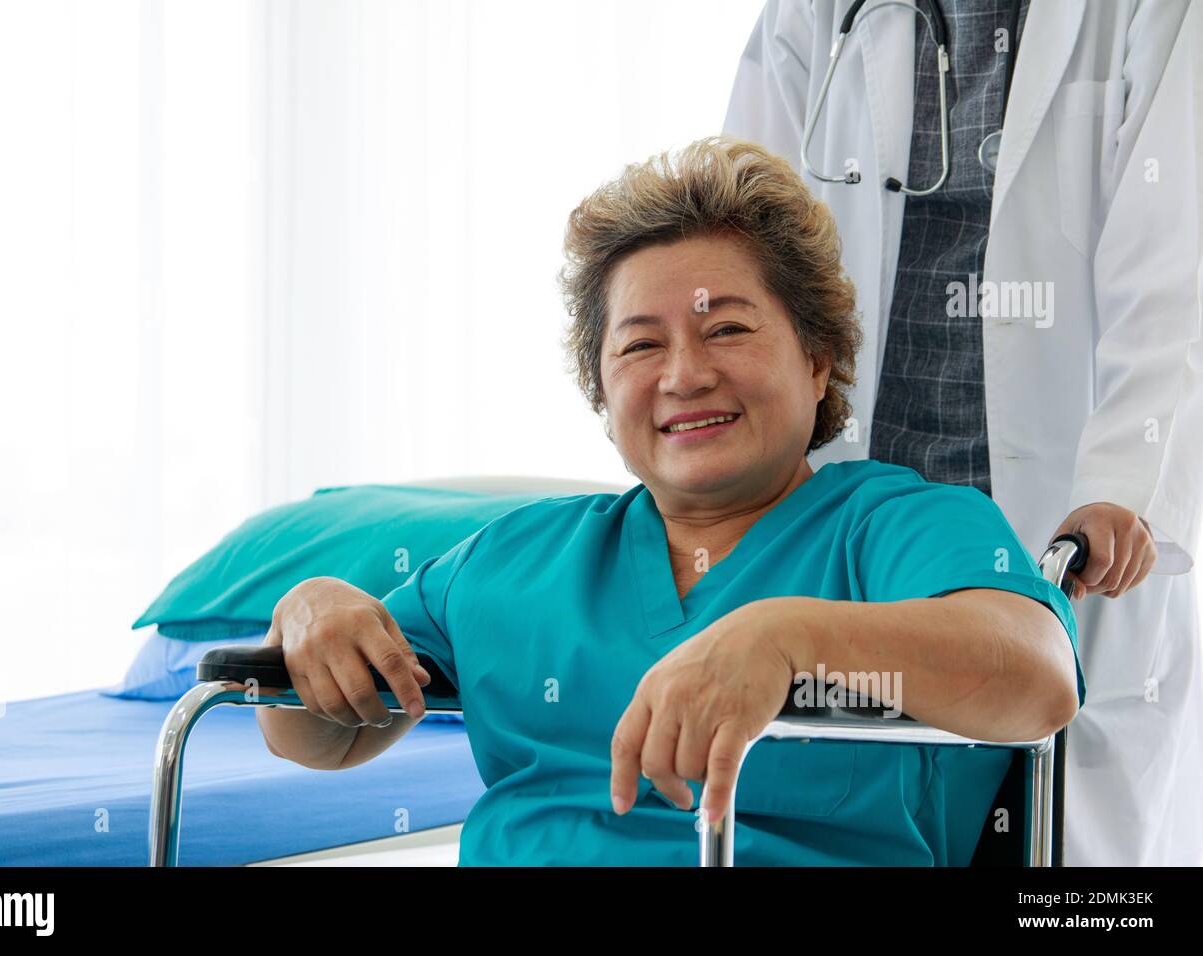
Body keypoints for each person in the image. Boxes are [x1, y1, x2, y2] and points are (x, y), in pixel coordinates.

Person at [254, 138, 1082, 866]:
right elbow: (318, 737)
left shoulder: (898, 527)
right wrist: (309, 613)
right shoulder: (510, 562)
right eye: (641, 344)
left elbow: (1037, 678)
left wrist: (785, 639)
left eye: (727, 329)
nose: (684, 375)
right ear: (602, 389)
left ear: (818, 360)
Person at [723, 0, 1203, 864]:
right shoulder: (812, 12)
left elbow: (1174, 265)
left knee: (1053, 859)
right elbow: (737, 233)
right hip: (857, 521)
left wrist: (1125, 484)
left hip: (1055, 530)